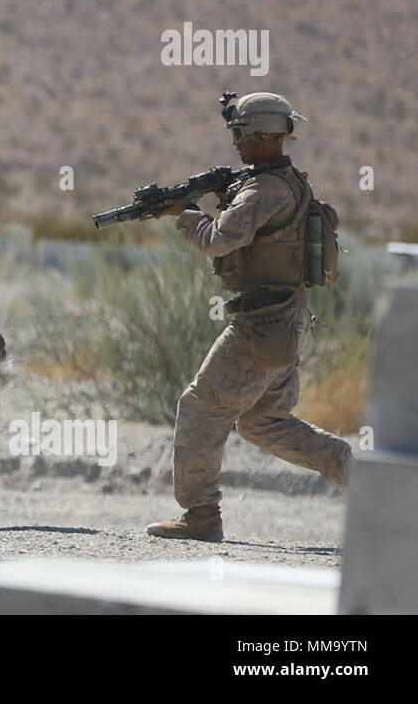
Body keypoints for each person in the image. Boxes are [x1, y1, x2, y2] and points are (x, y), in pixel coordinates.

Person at [147, 93, 352, 542]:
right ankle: (359, 473)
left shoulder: (264, 189)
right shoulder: (289, 181)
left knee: (200, 408)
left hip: (261, 326)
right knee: (264, 422)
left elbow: (218, 241)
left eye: (239, 134)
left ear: (262, 135)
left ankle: (201, 516)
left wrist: (185, 215)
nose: (235, 143)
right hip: (289, 321)